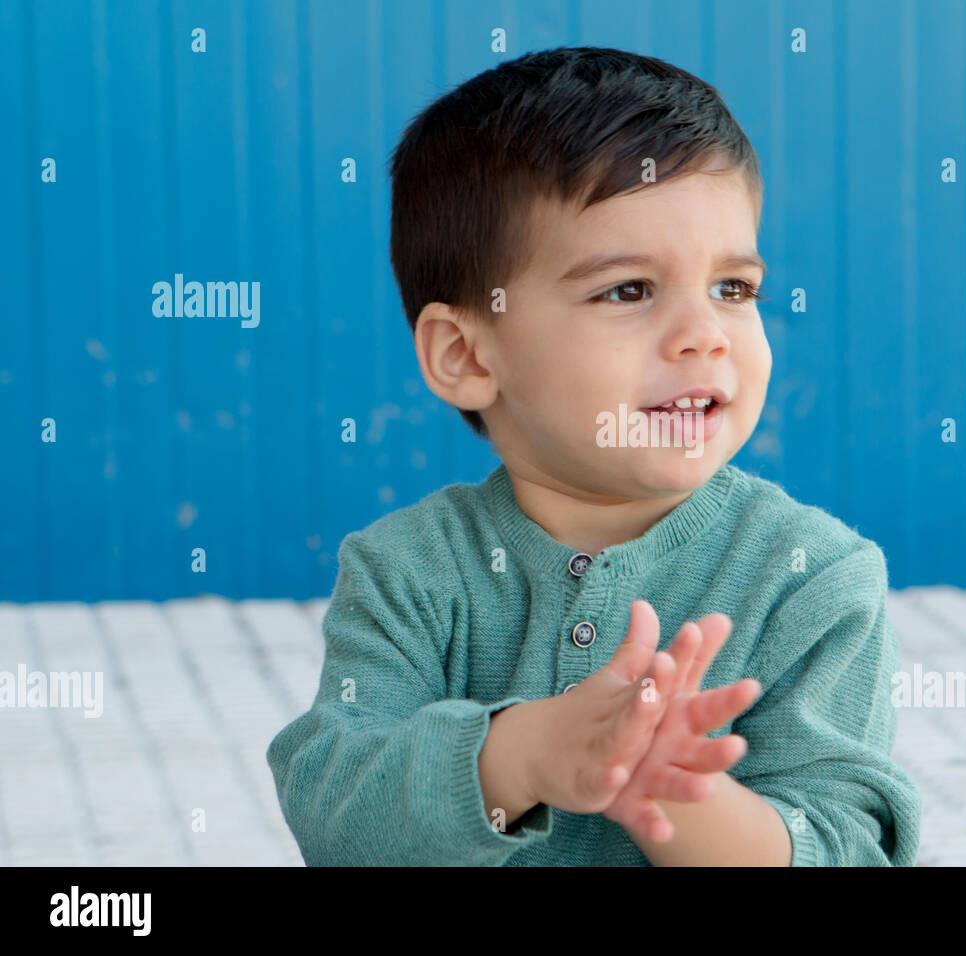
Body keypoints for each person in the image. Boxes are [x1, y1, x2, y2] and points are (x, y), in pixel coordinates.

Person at [266, 46, 921, 866]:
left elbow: (848, 843)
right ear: (467, 357)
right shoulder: (408, 572)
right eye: (628, 291)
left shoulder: (812, 577)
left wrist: (670, 786)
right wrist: (525, 754)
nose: (703, 335)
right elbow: (336, 812)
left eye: (734, 289)